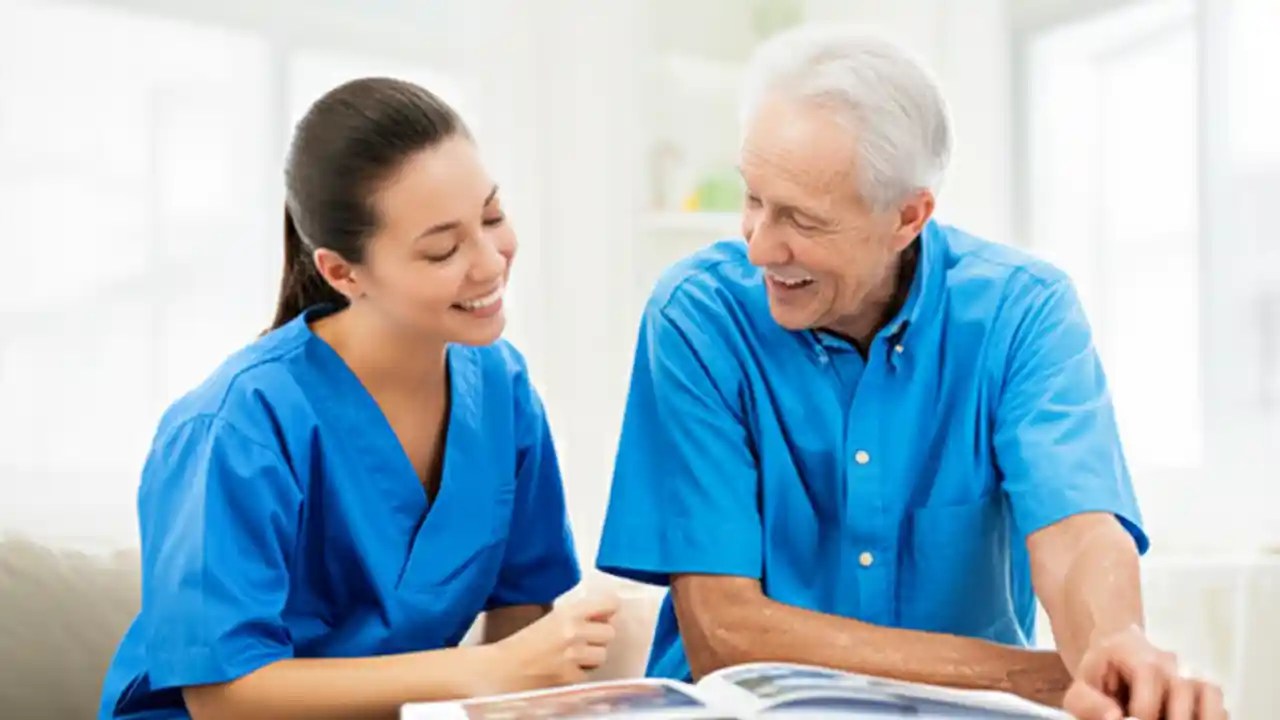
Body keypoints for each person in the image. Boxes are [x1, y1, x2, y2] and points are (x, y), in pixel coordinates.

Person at [596, 25, 1226, 720]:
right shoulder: (699, 316)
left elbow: (1077, 534)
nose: (760, 247)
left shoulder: (1023, 312)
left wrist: (1112, 648)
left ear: (908, 217)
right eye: (754, 200)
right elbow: (726, 632)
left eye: (802, 220)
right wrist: (1037, 677)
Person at [100, 78, 617, 720]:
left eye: (491, 217)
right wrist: (477, 672)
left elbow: (522, 613)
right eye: (443, 249)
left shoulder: (501, 388)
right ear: (342, 272)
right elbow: (222, 697)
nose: (490, 263)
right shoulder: (236, 424)